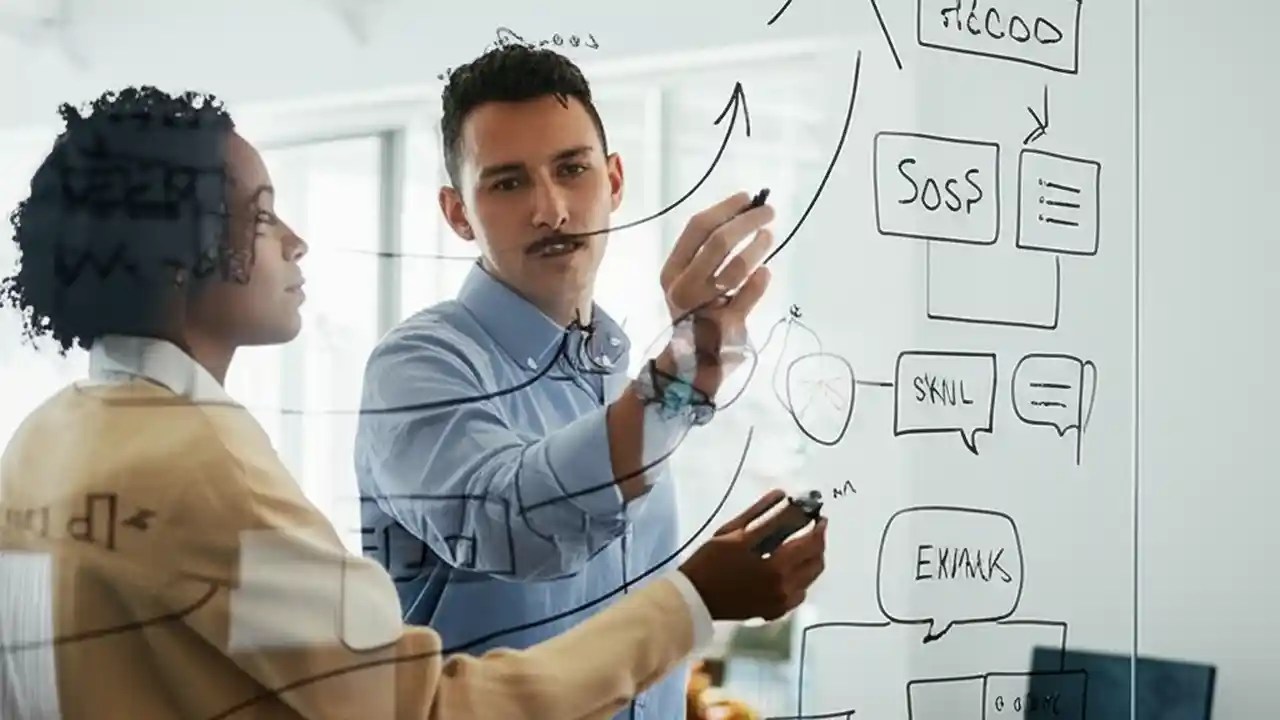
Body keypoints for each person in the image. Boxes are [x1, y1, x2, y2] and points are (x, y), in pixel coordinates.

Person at [0, 87, 827, 720]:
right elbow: (427, 688)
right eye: (262, 216)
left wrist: (685, 366)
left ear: (614, 181)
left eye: (572, 169)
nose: (296, 240)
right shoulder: (217, 456)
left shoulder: (50, 438)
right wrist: (694, 599)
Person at [353, 45, 797, 719]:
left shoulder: (615, 376)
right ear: (457, 213)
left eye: (572, 169)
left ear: (613, 180)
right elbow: (514, 523)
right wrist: (680, 372)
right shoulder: (417, 367)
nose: (551, 209)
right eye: (508, 183)